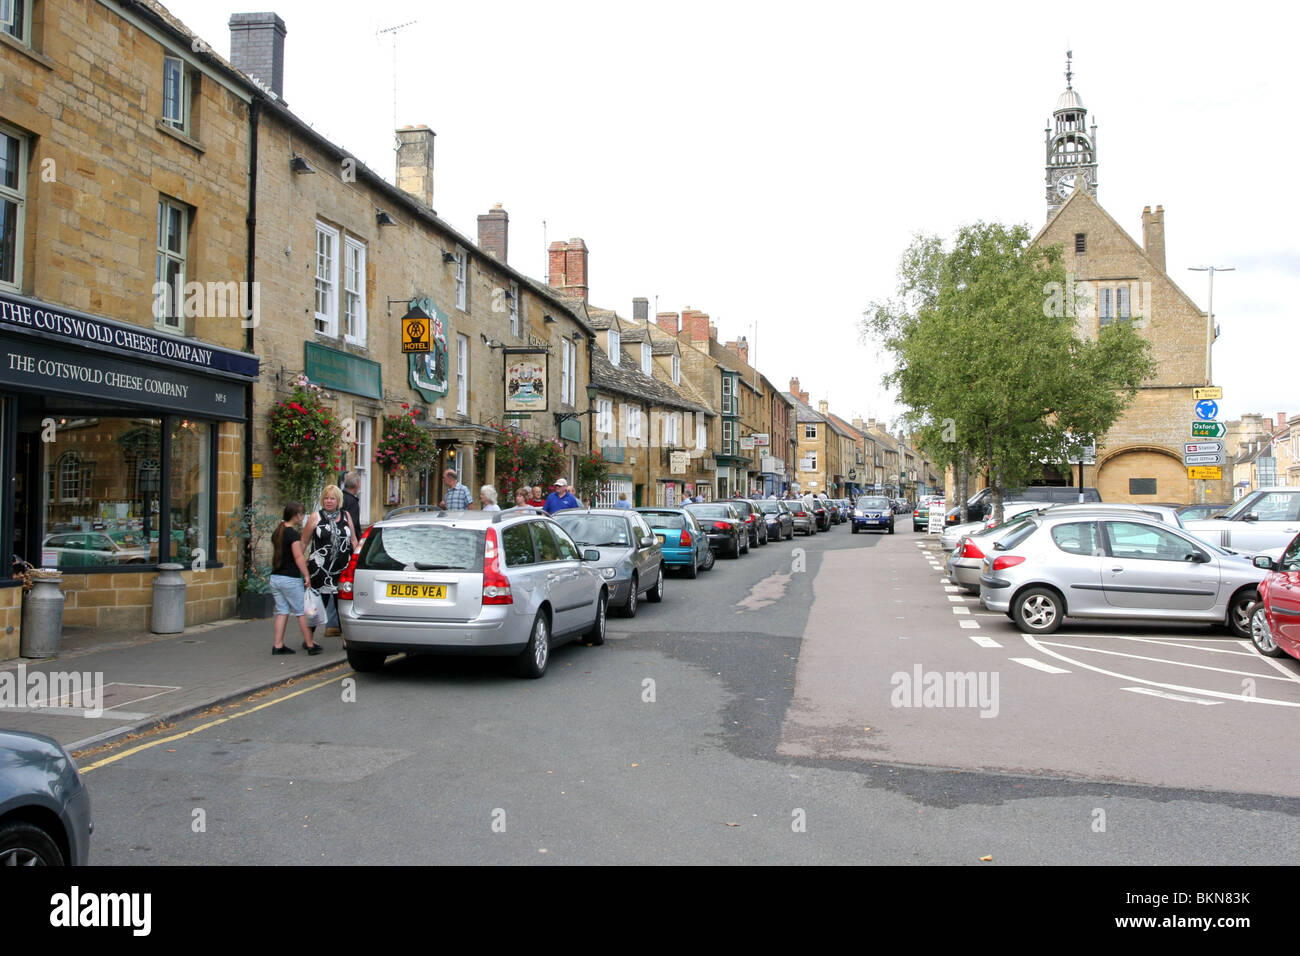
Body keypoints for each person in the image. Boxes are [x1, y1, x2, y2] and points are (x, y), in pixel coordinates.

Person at [302, 485, 358, 640]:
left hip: (342, 570)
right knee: (316, 608)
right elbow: (304, 541)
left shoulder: (346, 516)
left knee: (342, 607)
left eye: (332, 498)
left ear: (338, 500)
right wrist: (299, 561)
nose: (329, 501)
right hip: (320, 571)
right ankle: (309, 640)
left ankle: (346, 640)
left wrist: (356, 560)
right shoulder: (316, 517)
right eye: (326, 498)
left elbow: (353, 540)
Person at [268, 502, 321, 655]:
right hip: (290, 578)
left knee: (282, 611)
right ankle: (310, 644)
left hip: (275, 577)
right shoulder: (292, 534)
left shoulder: (278, 530)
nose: (303, 517)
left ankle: (278, 645)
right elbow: (298, 557)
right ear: (297, 515)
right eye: (302, 514)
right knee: (301, 612)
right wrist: (306, 575)